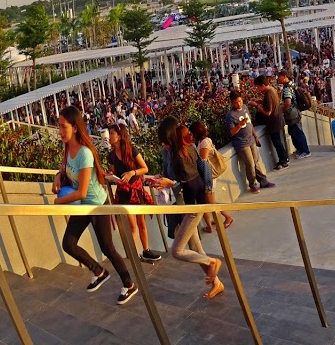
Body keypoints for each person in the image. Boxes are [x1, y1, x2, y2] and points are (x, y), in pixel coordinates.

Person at [52, 106, 137, 305]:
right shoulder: (68, 149)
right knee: (69, 244)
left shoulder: (84, 153)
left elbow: (81, 191)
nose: (61, 131)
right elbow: (64, 168)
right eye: (59, 127)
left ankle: (129, 283)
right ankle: (99, 271)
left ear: (74, 127)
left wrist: (58, 202)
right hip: (83, 205)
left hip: (97, 205)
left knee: (107, 247)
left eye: (64, 127)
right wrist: (57, 176)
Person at [162, 118, 227, 300]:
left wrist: (170, 183)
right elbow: (170, 175)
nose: (163, 145)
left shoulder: (181, 153)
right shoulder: (177, 151)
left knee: (177, 250)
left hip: (190, 205)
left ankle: (212, 262)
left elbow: (184, 181)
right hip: (186, 204)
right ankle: (216, 282)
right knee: (195, 246)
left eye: (164, 141)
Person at [107, 122, 161, 263]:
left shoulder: (131, 150)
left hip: (136, 189)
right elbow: (113, 173)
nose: (109, 136)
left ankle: (146, 250)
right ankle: (135, 253)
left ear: (119, 136)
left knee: (141, 223)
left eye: (112, 133)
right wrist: (111, 176)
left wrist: (132, 172)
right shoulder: (111, 155)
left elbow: (145, 168)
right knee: (131, 225)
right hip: (123, 191)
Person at [226, 91, 274, 193]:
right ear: (232, 103)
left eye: (239, 101)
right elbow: (231, 132)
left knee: (256, 161)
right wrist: (239, 125)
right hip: (241, 143)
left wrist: (255, 136)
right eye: (235, 102)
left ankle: (263, 181)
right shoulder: (230, 115)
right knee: (250, 164)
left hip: (251, 140)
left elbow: (250, 123)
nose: (238, 104)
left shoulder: (245, 108)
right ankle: (252, 184)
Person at [254, 75, 293, 170]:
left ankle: (283, 161)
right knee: (279, 142)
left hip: (274, 122)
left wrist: (256, 105)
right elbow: (269, 103)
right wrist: (259, 101)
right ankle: (284, 159)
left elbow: (268, 112)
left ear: (262, 85)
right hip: (278, 120)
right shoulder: (272, 90)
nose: (258, 89)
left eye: (258, 87)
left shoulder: (268, 94)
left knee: (277, 143)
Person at [279, 72, 312, 158]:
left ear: (285, 77)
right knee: (294, 132)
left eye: (280, 77)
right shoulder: (292, 84)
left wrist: (283, 109)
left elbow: (288, 102)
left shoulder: (287, 88)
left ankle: (305, 151)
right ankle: (300, 149)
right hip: (296, 112)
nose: (278, 79)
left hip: (292, 114)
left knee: (297, 132)